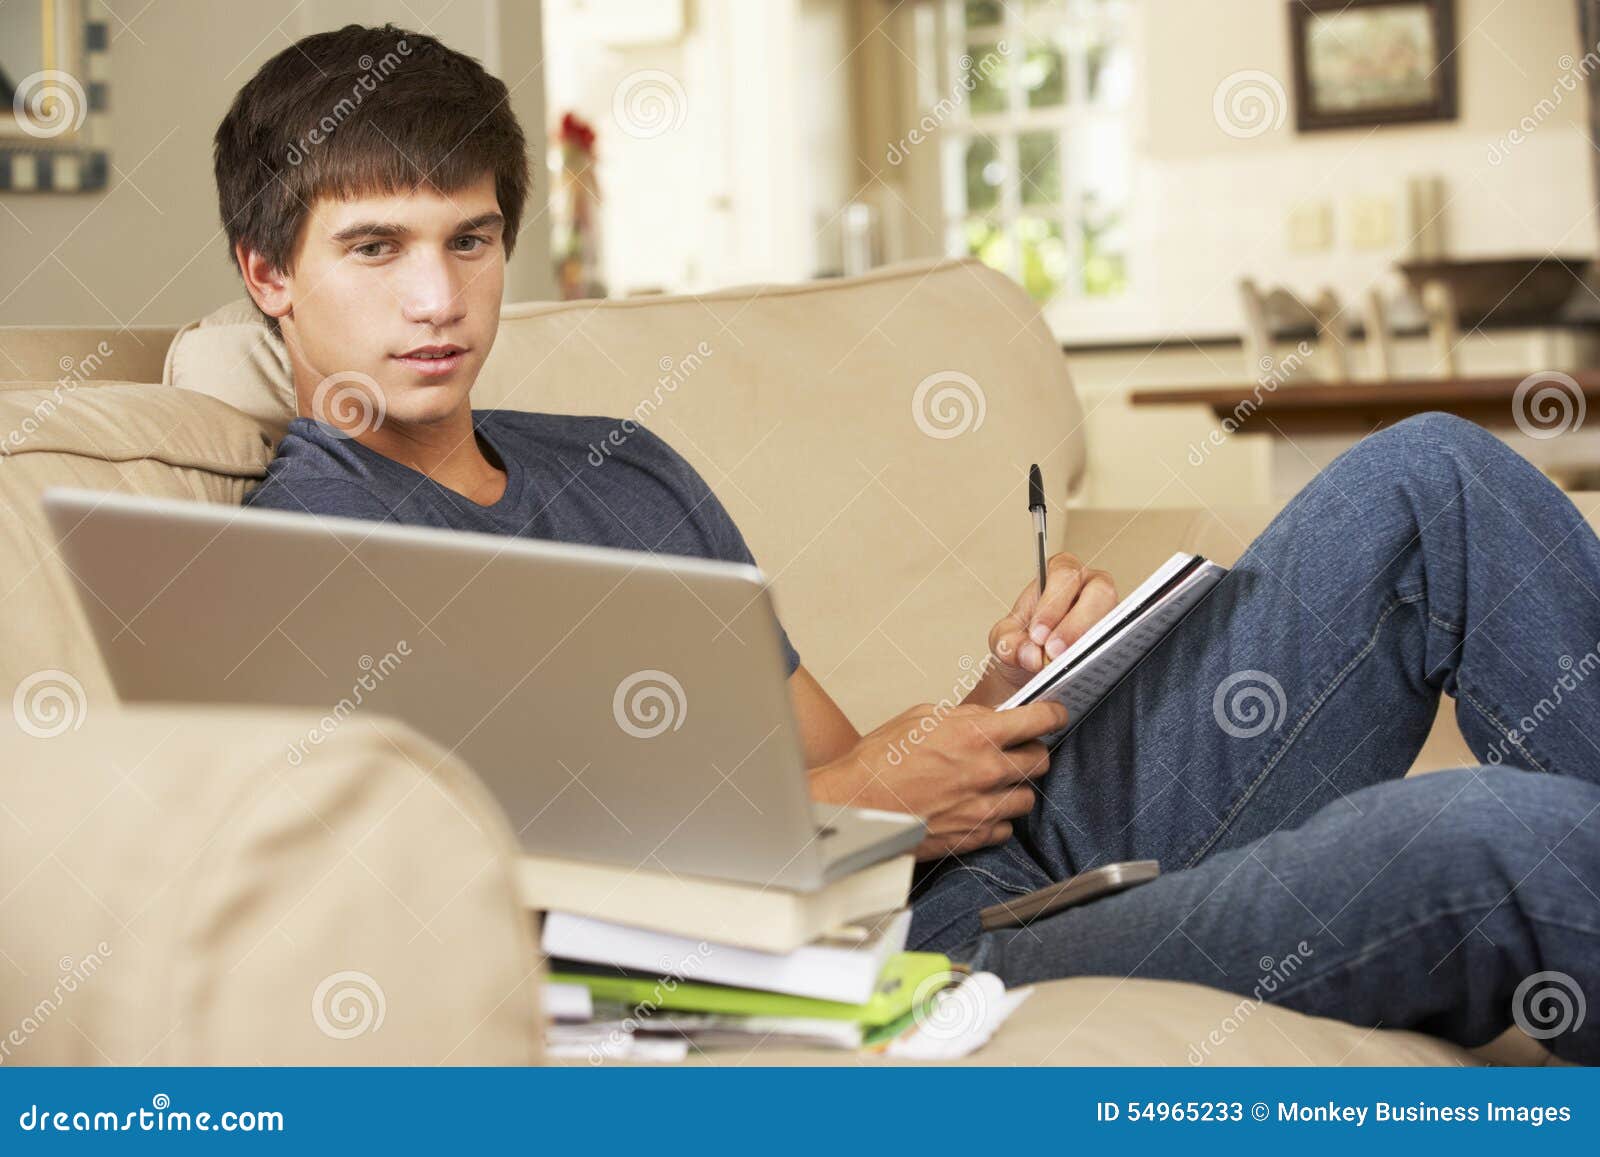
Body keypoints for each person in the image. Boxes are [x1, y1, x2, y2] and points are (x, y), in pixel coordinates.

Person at [219, 24, 1598, 1063]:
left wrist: (989, 701)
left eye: (469, 242)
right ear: (268, 274)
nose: (437, 298)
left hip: (990, 843)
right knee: (1487, 839)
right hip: (881, 958)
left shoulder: (620, 466)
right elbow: (511, 909)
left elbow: (829, 754)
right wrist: (877, 800)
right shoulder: (305, 556)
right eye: (376, 249)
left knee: (1432, 476)